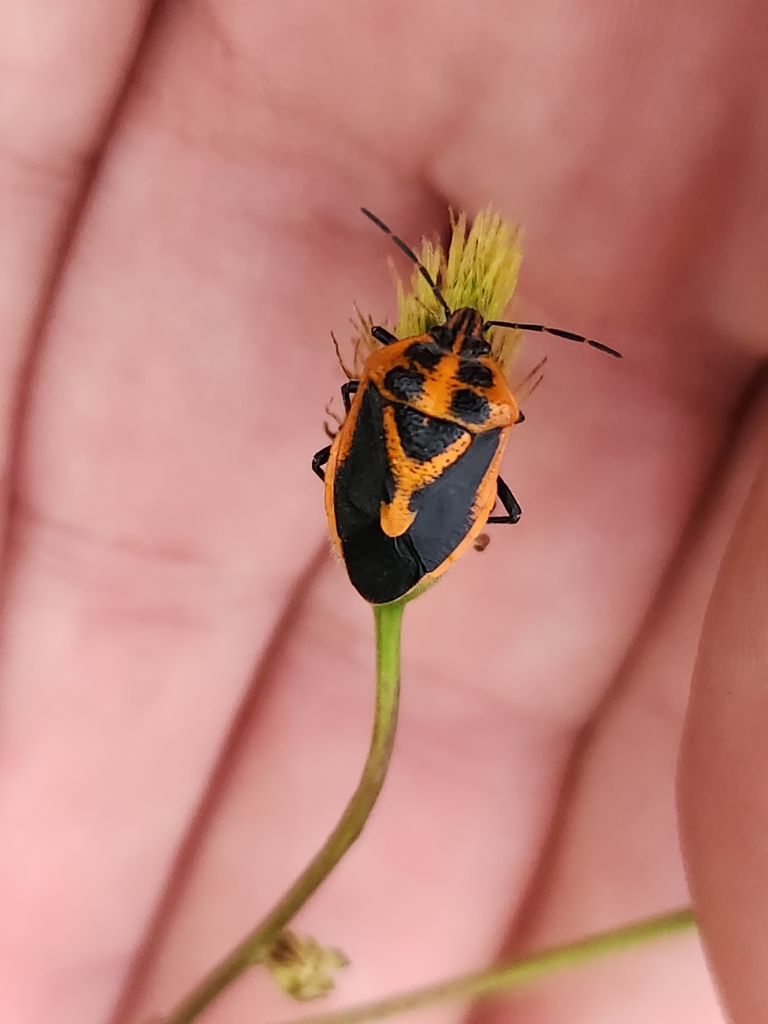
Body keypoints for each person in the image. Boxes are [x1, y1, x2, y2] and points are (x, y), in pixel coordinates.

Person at [0, 3, 765, 1022]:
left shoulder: (400, 377)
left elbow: (361, 416)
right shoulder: (473, 405)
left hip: (394, 503)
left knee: (368, 465)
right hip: (414, 517)